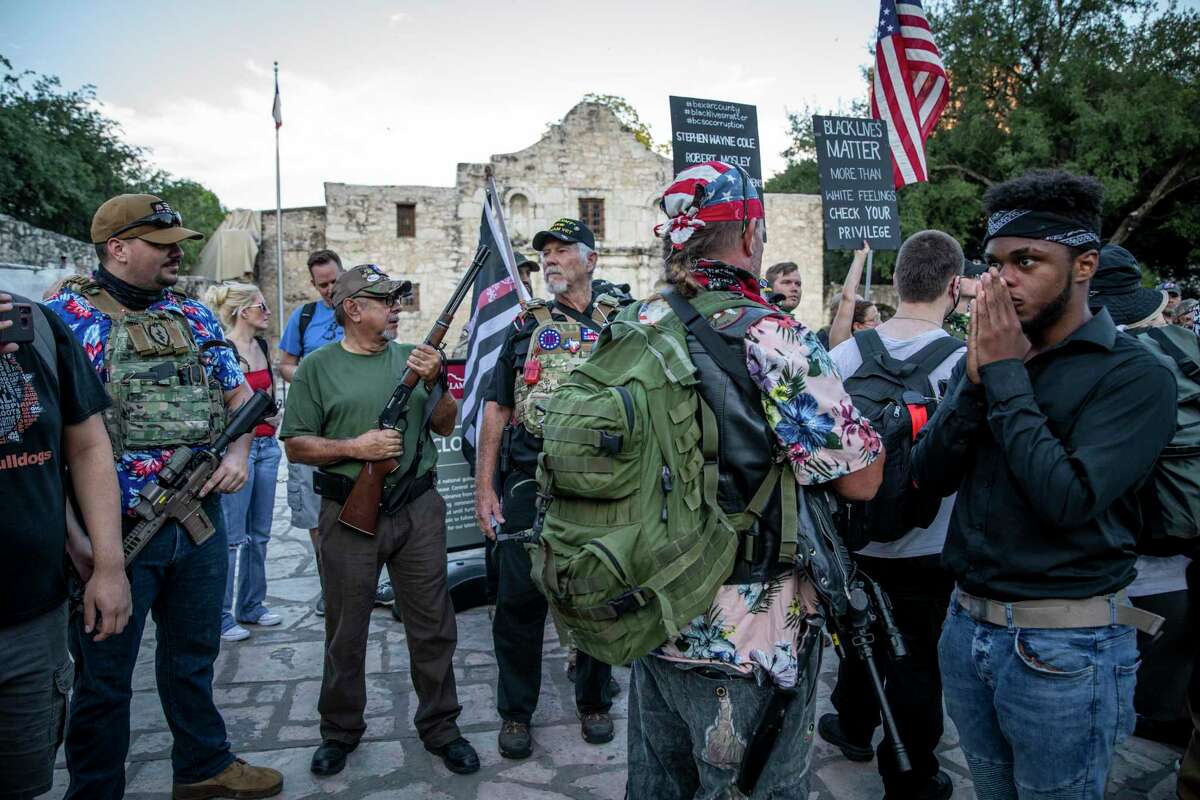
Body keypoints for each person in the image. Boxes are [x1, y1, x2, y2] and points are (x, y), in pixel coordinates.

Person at [911, 171, 1177, 799]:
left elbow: (1068, 501)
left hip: (1064, 647)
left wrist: (1004, 375)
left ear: (1084, 265)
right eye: (996, 262)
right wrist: (974, 388)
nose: (1003, 280)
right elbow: (927, 476)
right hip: (967, 626)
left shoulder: (1135, 376)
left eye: (1027, 261)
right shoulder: (992, 354)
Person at [625, 161, 884, 797]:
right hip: (746, 624)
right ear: (749, 238)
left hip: (650, 603)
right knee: (756, 786)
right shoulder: (772, 336)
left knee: (659, 782)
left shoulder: (634, 325)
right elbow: (860, 481)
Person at [46, 194, 283, 798]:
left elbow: (240, 396)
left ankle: (204, 767)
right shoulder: (64, 320)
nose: (178, 250)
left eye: (178, 239)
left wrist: (233, 455)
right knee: (104, 679)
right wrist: (85, 547)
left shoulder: (193, 315)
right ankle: (95, 789)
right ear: (118, 248)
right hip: (117, 531)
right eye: (162, 241)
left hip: (196, 521)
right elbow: (50, 448)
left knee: (193, 656)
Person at [280, 264, 479, 777]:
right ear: (353, 309)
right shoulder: (317, 368)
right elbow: (297, 445)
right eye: (385, 300)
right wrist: (355, 447)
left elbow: (445, 424)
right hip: (348, 513)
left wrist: (439, 382)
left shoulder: (413, 360)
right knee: (346, 630)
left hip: (417, 508)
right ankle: (340, 732)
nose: (396, 309)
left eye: (397, 300)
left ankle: (442, 728)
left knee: (434, 625)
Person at [821, 230, 966, 800]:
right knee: (915, 659)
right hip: (928, 543)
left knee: (857, 634)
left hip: (851, 535)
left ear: (899, 282)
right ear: (954, 286)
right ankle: (911, 776)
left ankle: (853, 725)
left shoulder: (841, 355)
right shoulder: (963, 362)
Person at [473, 218, 620, 759]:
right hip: (530, 484)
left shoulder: (619, 325)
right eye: (546, 254)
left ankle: (595, 700)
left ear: (591, 260)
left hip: (604, 489)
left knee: (597, 599)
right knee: (518, 604)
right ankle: (516, 714)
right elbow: (498, 404)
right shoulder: (526, 326)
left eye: (562, 251)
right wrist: (484, 486)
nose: (551, 260)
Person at [0, 291, 130, 800]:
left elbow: (87, 444)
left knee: (22, 783)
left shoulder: (38, 326)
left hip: (33, 619)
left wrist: (108, 565)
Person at [1089, 244, 1196, 747]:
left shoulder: (1099, 360)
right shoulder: (1185, 351)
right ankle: (1164, 713)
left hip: (1124, 546)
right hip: (1183, 536)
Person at [277, 251, 396, 616]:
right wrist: (320, 385)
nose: (329, 289)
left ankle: (372, 581)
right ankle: (331, 585)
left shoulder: (373, 315)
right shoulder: (305, 317)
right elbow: (285, 363)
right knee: (317, 514)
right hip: (318, 429)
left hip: (364, 428)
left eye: (334, 281)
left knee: (372, 505)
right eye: (322, 284)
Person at [204, 282, 285, 643]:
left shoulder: (261, 347)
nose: (267, 311)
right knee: (234, 537)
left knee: (261, 534)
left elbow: (264, 395)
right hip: (239, 449)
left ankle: (252, 604)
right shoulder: (224, 351)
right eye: (261, 306)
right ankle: (220, 616)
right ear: (242, 312)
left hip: (268, 446)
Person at [827, 243, 874, 348]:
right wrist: (860, 257)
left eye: (878, 319)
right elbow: (848, 297)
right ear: (857, 325)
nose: (879, 324)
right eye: (872, 320)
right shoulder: (842, 341)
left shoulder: (877, 344)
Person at [944, 258, 985, 339]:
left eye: (979, 276)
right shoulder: (942, 315)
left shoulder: (980, 317)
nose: (979, 280)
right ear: (956, 280)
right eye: (973, 276)